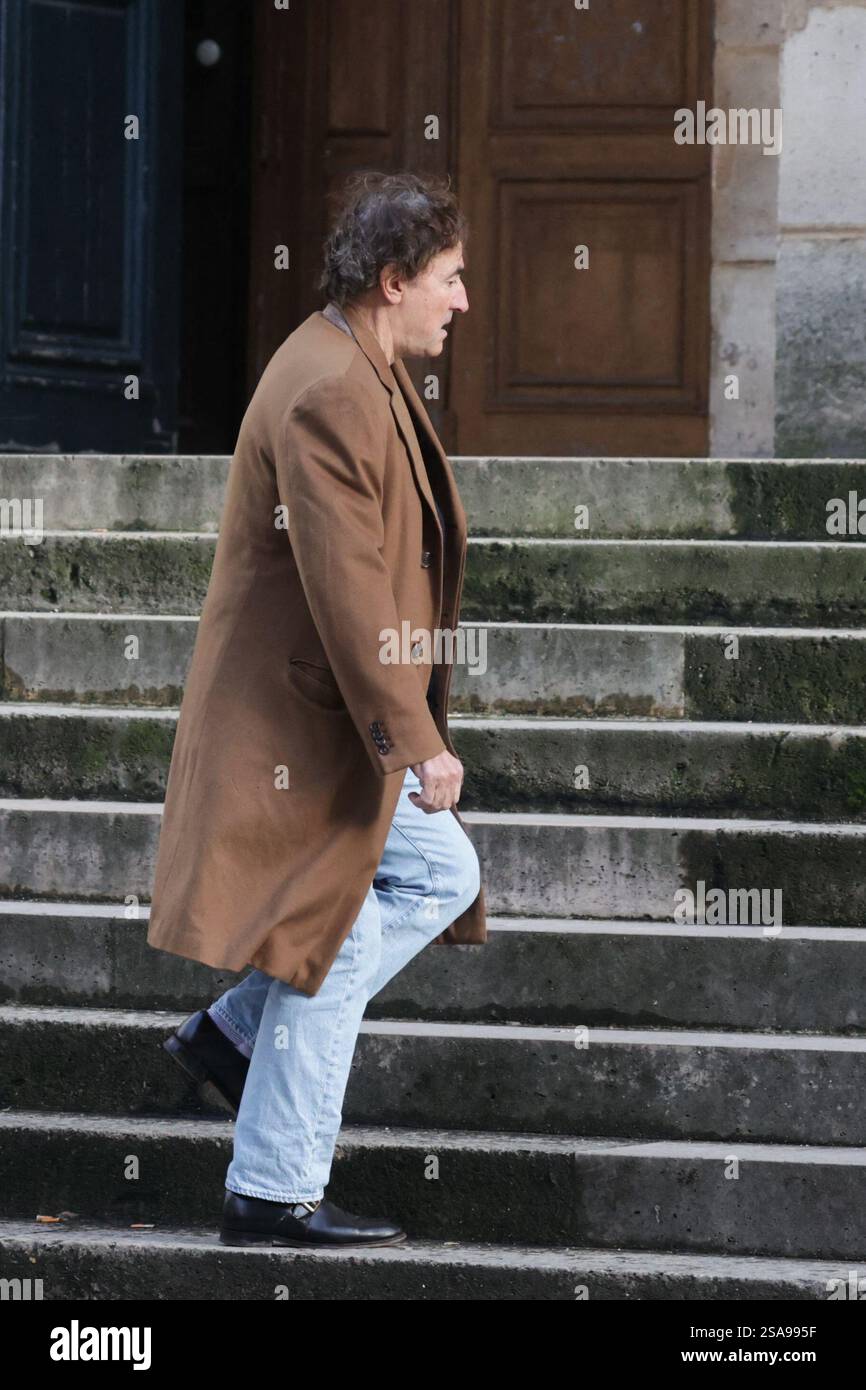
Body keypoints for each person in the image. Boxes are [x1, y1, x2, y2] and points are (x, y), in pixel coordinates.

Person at [150, 170, 487, 1248]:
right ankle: (272, 1187)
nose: (462, 300)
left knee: (442, 872)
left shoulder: (360, 360)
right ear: (393, 282)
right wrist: (414, 740)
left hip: (321, 714)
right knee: (334, 942)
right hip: (297, 724)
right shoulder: (330, 387)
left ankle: (237, 1032)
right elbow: (348, 590)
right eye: (449, 278)